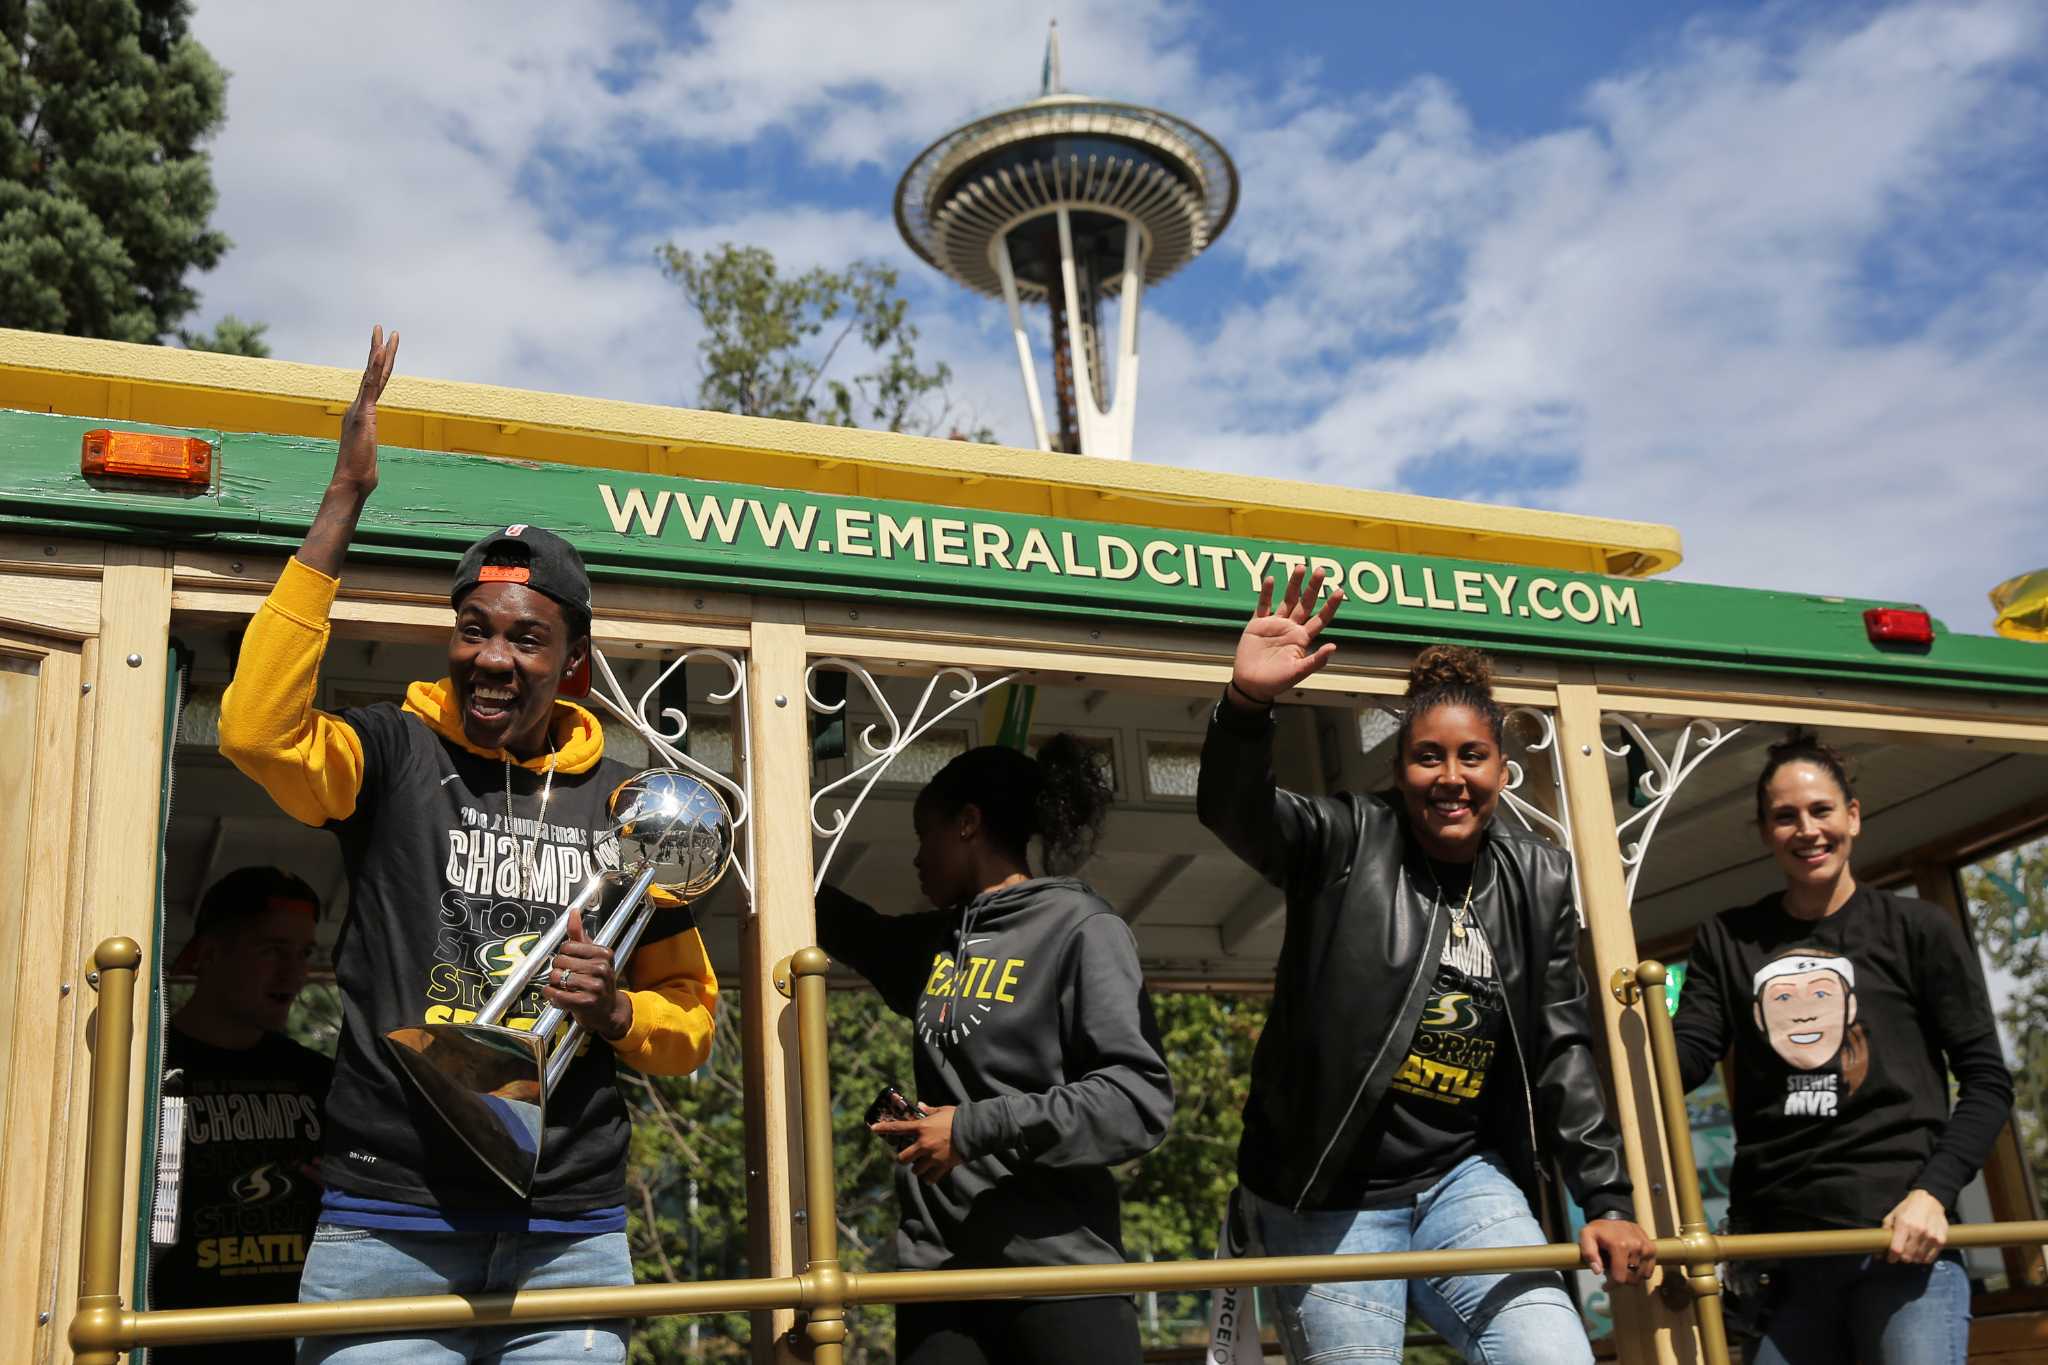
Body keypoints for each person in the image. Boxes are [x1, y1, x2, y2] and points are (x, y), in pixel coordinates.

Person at [218, 328, 719, 1364]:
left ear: (571, 664)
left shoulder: (627, 808)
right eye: (472, 628)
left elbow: (690, 1027)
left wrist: (616, 1009)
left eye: (524, 638)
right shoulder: (391, 752)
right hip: (388, 1219)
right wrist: (342, 503)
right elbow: (255, 732)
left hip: (567, 1238)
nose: (491, 658)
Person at [1197, 567, 1655, 1364]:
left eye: (1472, 756)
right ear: (1398, 772)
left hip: (1462, 1180)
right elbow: (1236, 811)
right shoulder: (1345, 840)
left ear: (1502, 771)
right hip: (1326, 1195)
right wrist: (1246, 706)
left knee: (1553, 1355)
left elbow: (1562, 1048)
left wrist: (1607, 1198)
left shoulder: (1539, 875)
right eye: (1427, 757)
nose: (1451, 777)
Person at [815, 735, 1174, 1365]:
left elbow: (1137, 1102)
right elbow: (841, 923)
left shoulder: (1081, 928)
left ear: (968, 823)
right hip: (940, 1275)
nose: (917, 859)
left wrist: (975, 1126)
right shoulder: (933, 944)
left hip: (1058, 1276)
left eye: (924, 835)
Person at [1671, 732, 2013, 1363]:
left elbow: (1988, 1082)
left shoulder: (1917, 931)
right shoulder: (1729, 939)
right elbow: (1685, 1057)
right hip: (1777, 1256)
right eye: (1785, 816)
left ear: (1852, 815)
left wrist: (1932, 1194)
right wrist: (1610, 1044)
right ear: (1765, 830)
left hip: (1901, 1248)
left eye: (1821, 810)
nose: (1807, 830)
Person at [152, 867, 332, 1365]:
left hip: (302, 1338)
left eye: (304, 954)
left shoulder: (323, 1080)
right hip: (178, 1337)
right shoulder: (149, 1073)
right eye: (271, 950)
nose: (293, 972)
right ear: (208, 954)